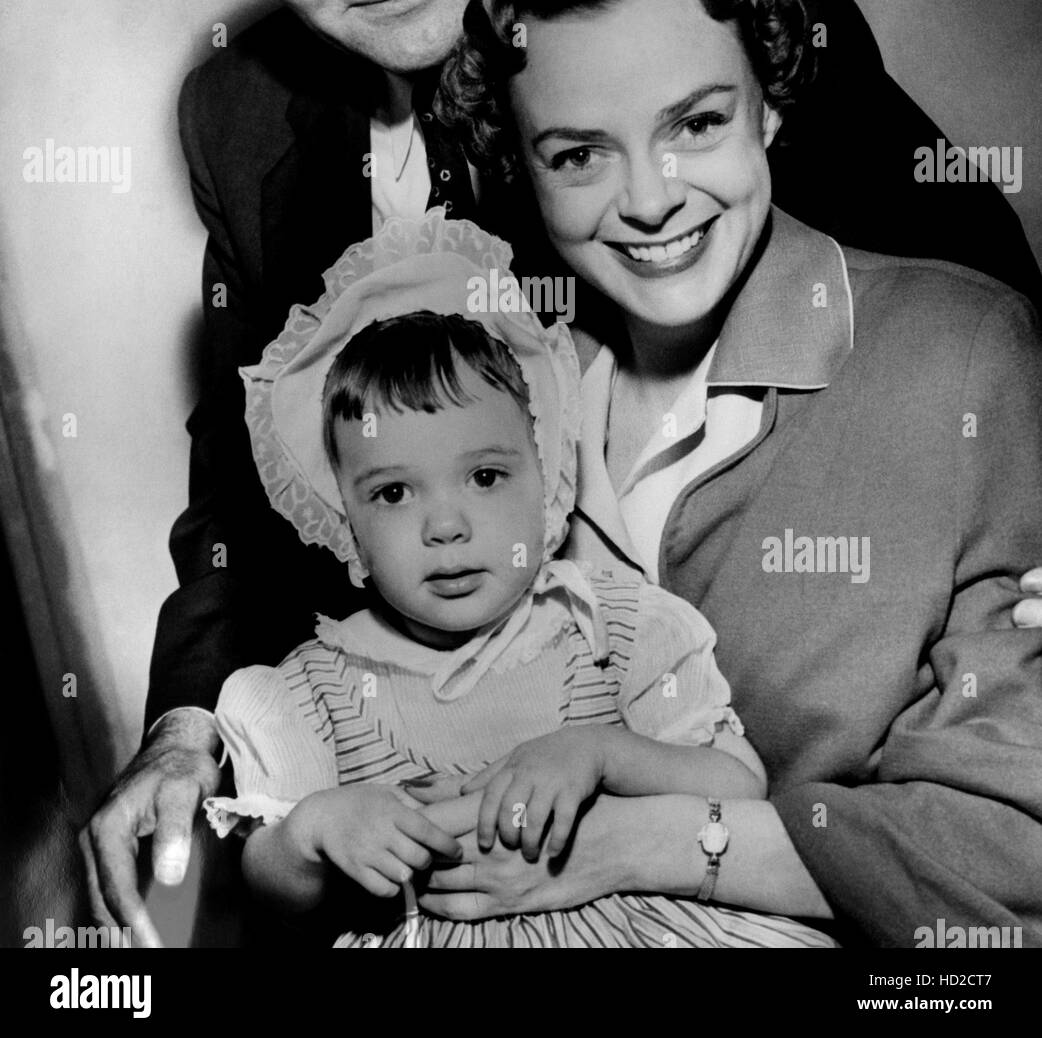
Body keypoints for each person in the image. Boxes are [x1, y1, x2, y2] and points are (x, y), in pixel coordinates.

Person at [80, 0, 1042, 944]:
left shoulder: (709, 27)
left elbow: (990, 331)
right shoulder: (238, 116)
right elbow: (240, 473)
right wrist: (188, 729)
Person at [423, 0, 1042, 946]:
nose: (650, 199)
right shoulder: (497, 401)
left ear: (769, 110)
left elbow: (1008, 849)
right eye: (578, 155)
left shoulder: (964, 355)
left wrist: (644, 839)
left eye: (696, 124)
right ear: (520, 173)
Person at [201, 210, 837, 947]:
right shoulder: (312, 696)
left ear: (549, 478)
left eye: (485, 476)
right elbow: (275, 897)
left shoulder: (614, 630)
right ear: (340, 517)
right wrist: (313, 831)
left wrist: (601, 754)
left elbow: (739, 787)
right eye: (394, 493)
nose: (446, 526)